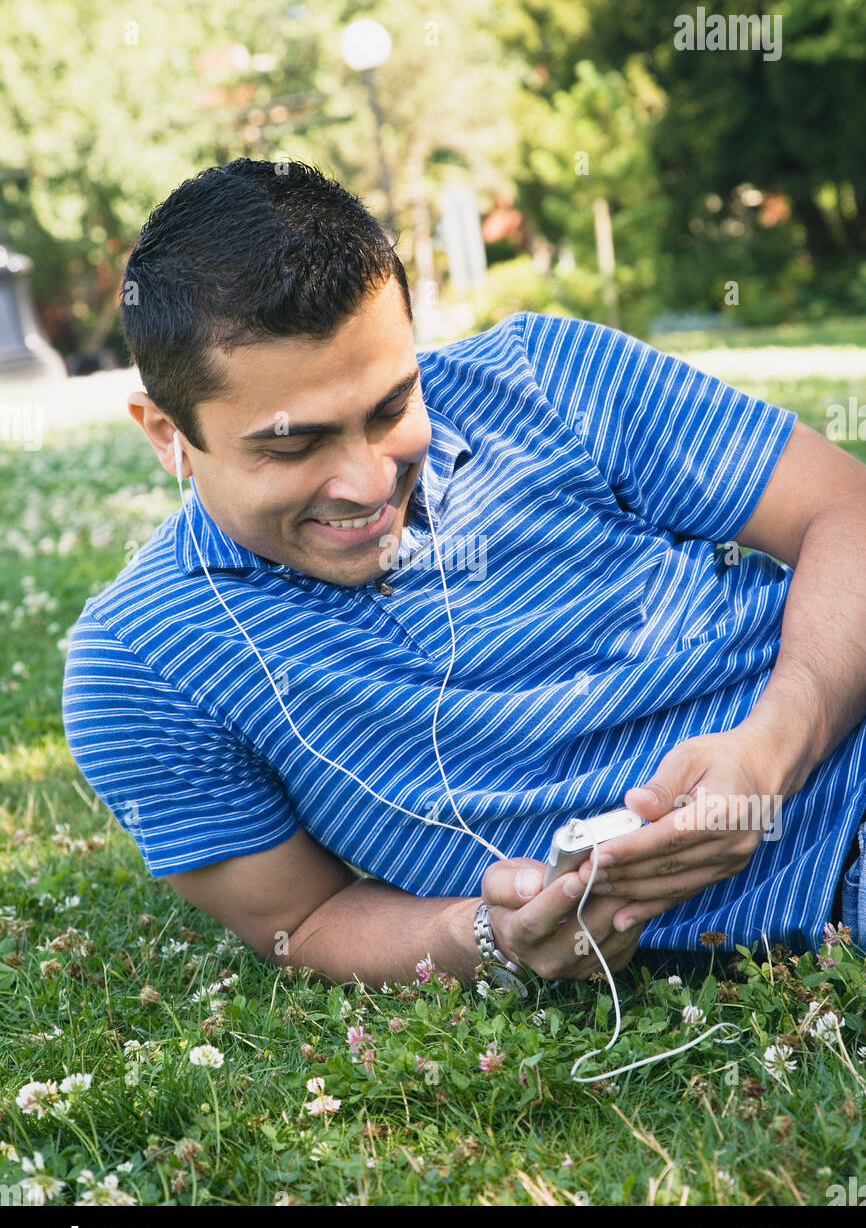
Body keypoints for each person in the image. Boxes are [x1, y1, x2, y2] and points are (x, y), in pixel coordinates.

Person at [61, 158, 866, 990]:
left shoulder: (547, 373)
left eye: (392, 408)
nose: (370, 485)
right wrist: (480, 938)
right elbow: (302, 919)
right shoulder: (141, 664)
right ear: (165, 433)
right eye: (294, 445)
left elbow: (846, 510)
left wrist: (773, 751)